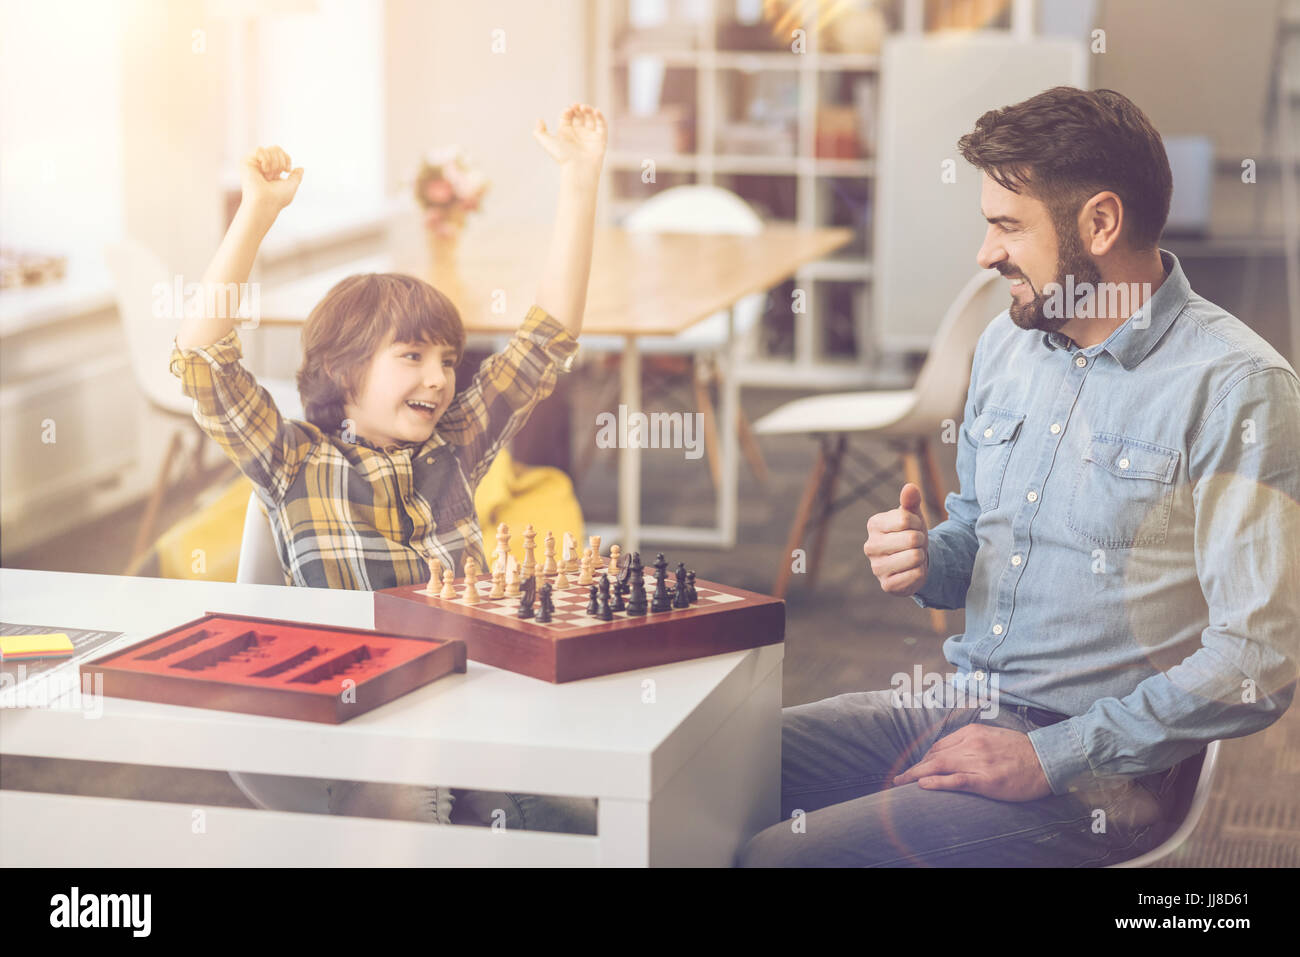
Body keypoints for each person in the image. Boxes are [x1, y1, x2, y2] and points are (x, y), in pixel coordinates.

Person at [739, 87, 1300, 866]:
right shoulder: (1008, 347)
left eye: (1008, 225)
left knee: (777, 857)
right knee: (699, 768)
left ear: (1100, 223)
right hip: (959, 708)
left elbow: (1260, 660)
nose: (986, 253)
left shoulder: (1237, 385)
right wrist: (928, 556)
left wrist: (1050, 757)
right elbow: (977, 531)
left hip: (1103, 780)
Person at [169, 104, 608, 834]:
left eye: (445, 359)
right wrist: (256, 213)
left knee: (587, 824)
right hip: (361, 736)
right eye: (412, 357)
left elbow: (548, 337)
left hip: (471, 719)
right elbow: (203, 360)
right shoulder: (296, 460)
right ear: (343, 372)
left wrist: (580, 182)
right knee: (436, 805)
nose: (438, 378)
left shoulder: (458, 444)